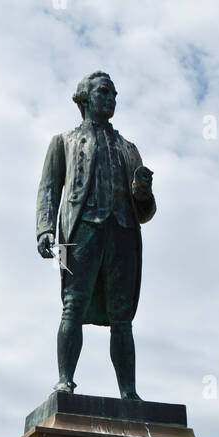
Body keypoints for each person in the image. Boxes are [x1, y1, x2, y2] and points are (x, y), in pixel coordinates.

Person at [36, 71, 156, 400]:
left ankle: (129, 392)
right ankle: (65, 382)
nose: (112, 98)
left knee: (123, 317)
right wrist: (45, 228)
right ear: (85, 98)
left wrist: (142, 191)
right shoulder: (63, 142)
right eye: (105, 92)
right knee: (72, 306)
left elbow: (145, 212)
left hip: (123, 233)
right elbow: (49, 189)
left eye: (115, 94)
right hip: (79, 231)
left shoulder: (129, 149)